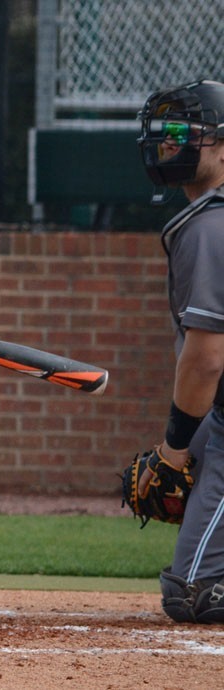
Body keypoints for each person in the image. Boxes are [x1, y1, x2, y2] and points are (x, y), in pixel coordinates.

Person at [136, 79, 224, 623]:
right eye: (168, 132)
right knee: (201, 438)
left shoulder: (210, 227)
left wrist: (171, 450)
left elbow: (207, 358)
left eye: (189, 132)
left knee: (194, 594)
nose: (171, 142)